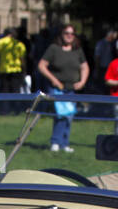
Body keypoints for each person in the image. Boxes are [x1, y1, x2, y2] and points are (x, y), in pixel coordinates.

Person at [38, 23, 88, 152]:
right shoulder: (54, 49)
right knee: (60, 114)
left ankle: (64, 143)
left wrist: (82, 81)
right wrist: (54, 80)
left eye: (72, 34)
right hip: (57, 88)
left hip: (71, 88)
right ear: (62, 34)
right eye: (67, 33)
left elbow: (84, 67)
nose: (69, 36)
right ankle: (56, 142)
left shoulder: (78, 50)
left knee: (69, 115)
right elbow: (42, 66)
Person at [0, 27, 26, 94]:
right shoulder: (19, 44)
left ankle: (6, 104)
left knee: (5, 90)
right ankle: (15, 104)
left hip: (3, 69)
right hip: (16, 70)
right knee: (16, 90)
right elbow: (22, 59)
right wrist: (24, 70)